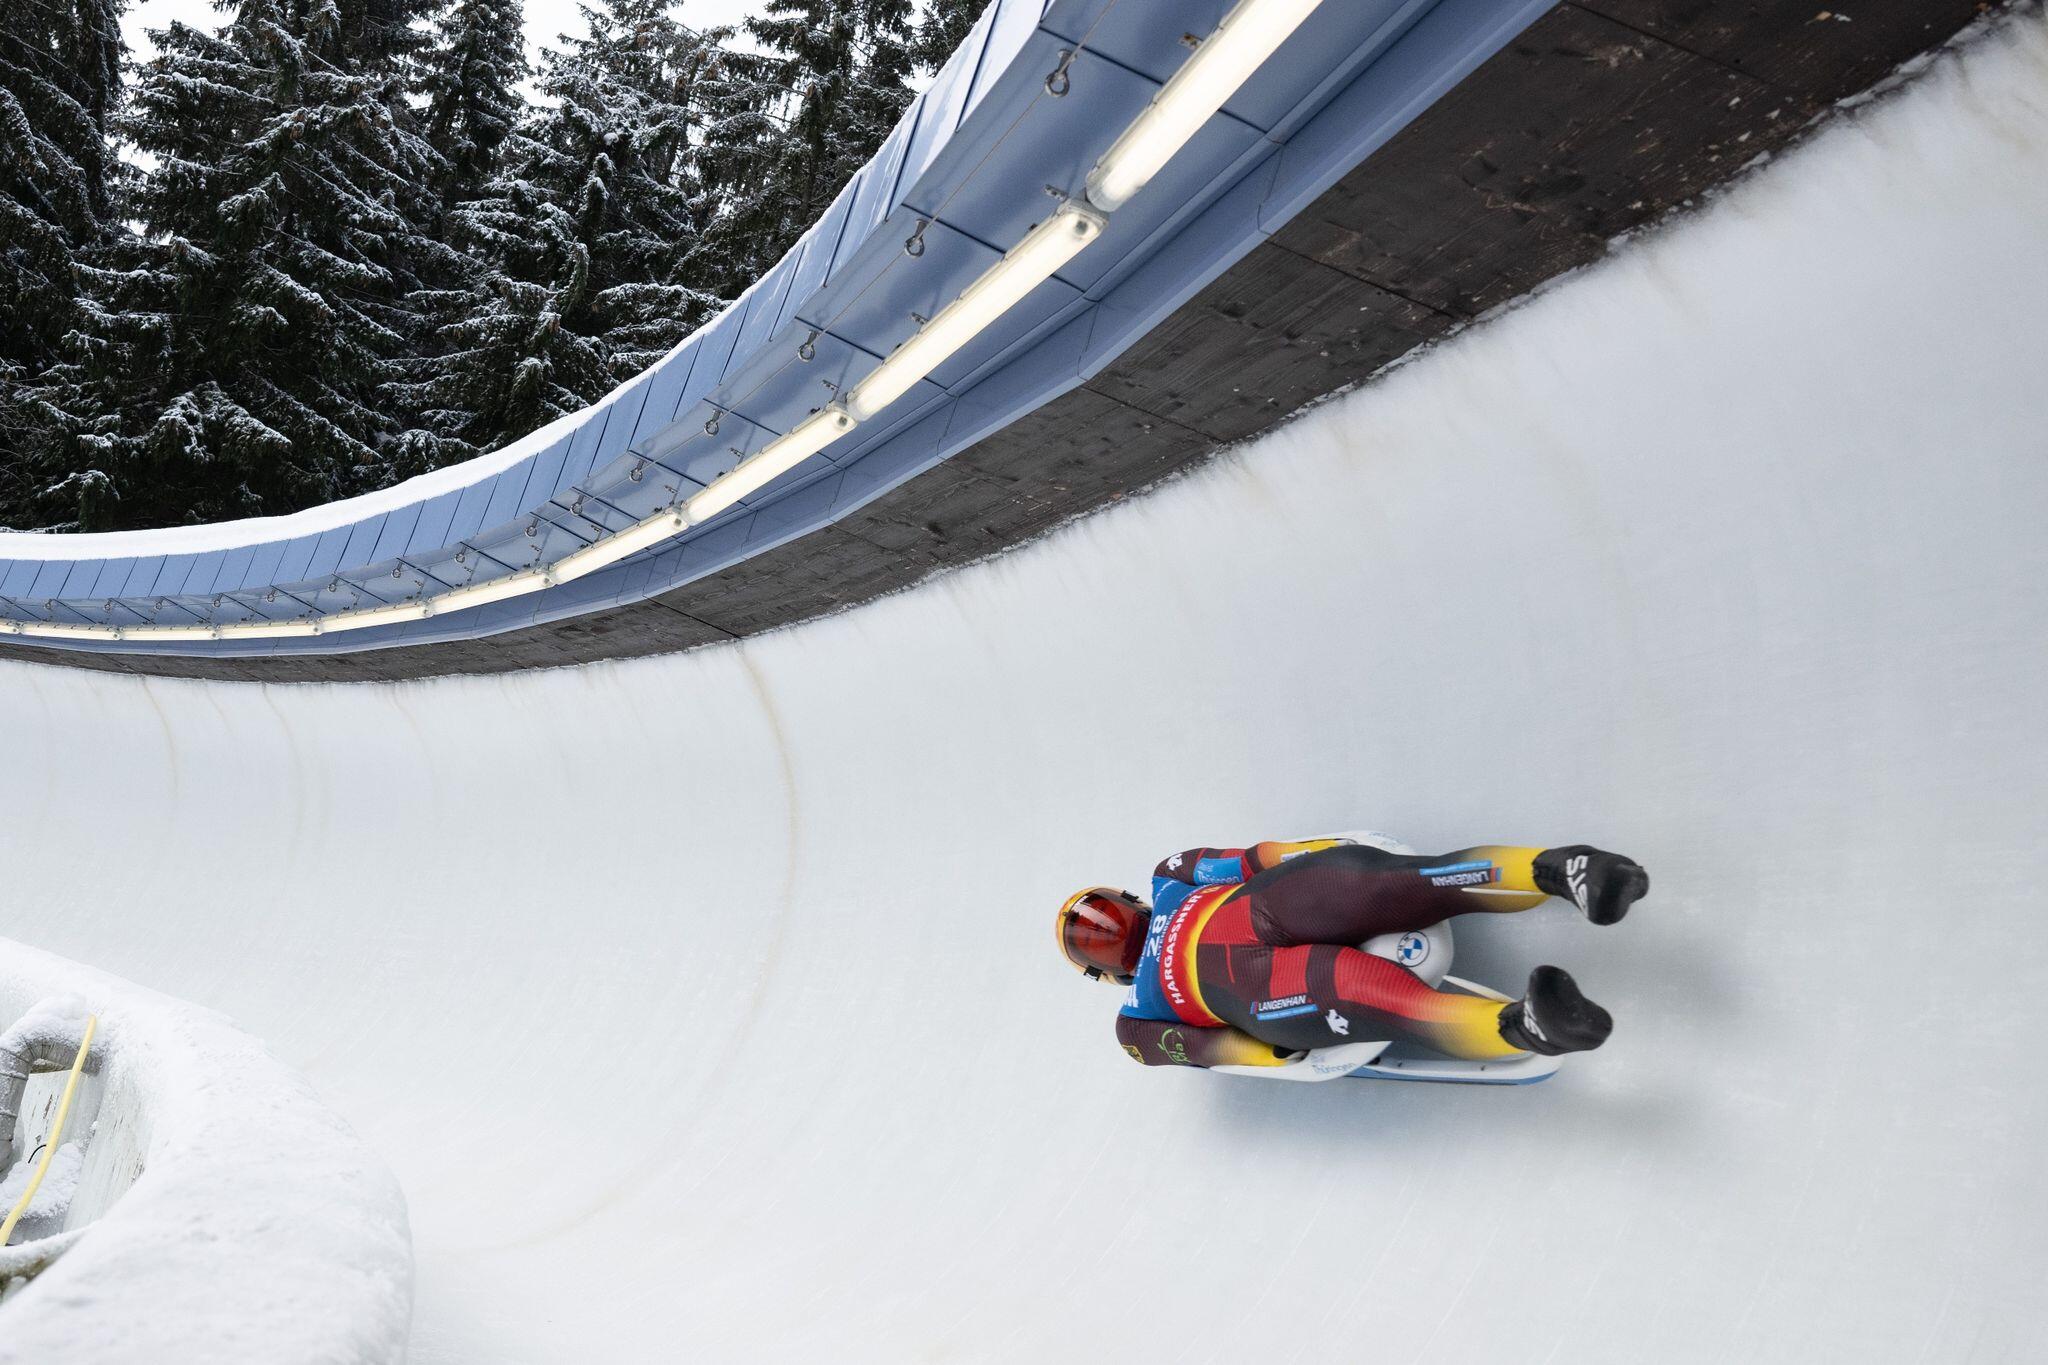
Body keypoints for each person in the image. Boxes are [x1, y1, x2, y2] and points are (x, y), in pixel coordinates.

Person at [1054, 839, 1649, 1069]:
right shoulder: (1134, 1024)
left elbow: (1258, 860)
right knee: (1370, 993)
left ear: (1130, 898)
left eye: (1111, 918)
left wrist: (1328, 851)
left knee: (1393, 883)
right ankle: (1530, 1026)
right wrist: (1272, 1054)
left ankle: (1563, 871)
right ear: (1102, 973)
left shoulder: (1172, 876)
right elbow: (1206, 1048)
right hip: (1256, 984)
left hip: (1271, 905)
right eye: (1101, 941)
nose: (1117, 934)